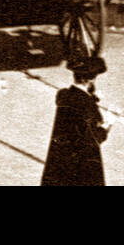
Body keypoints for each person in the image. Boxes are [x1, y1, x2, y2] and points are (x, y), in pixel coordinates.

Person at [40, 56, 109, 186]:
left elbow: (77, 110)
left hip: (61, 161)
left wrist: (92, 99)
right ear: (89, 80)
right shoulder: (87, 105)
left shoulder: (65, 95)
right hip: (80, 166)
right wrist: (106, 128)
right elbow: (93, 138)